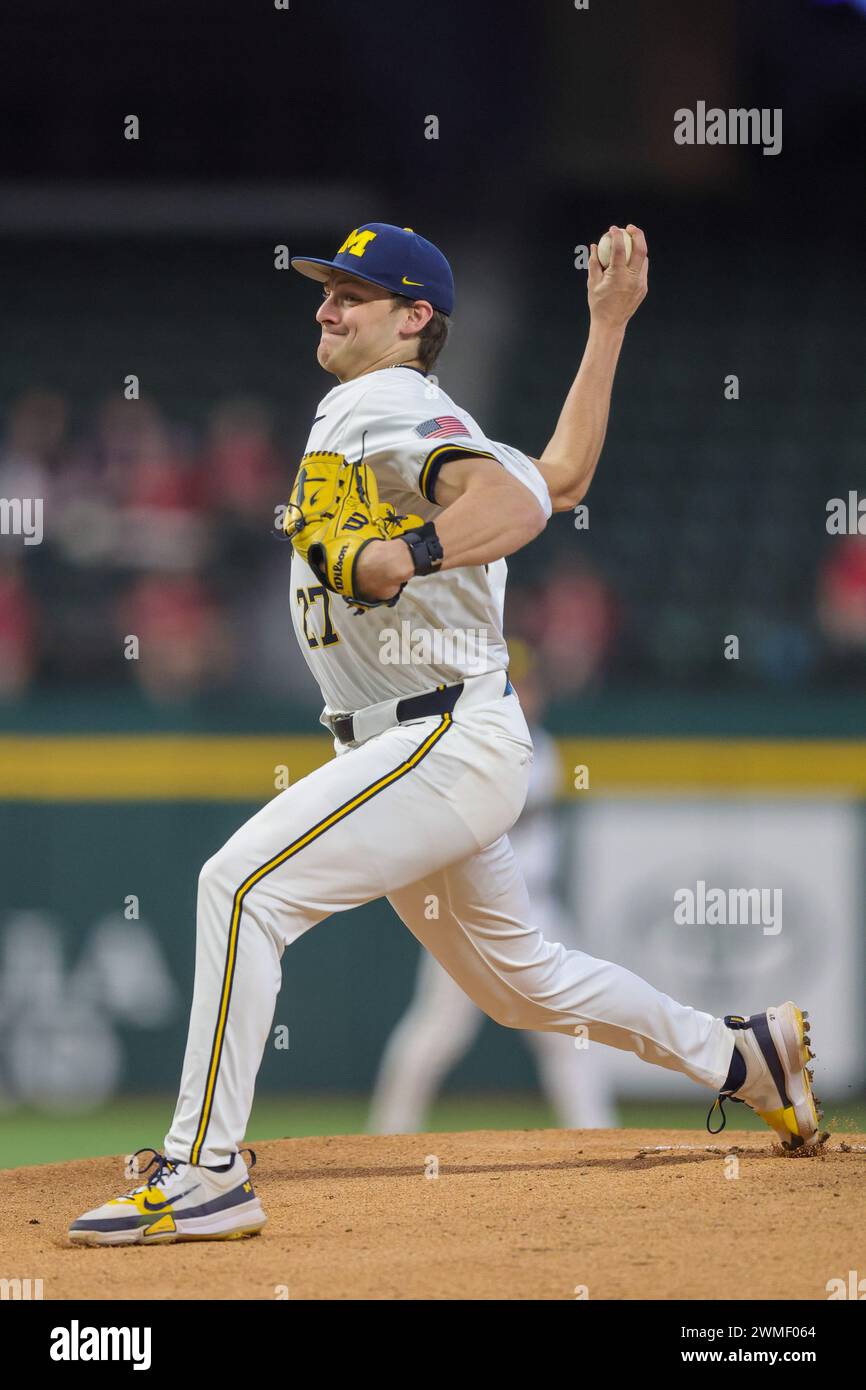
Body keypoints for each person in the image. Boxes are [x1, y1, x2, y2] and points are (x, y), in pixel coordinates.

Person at [70, 222, 823, 1246]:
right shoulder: (397, 409)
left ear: (413, 317)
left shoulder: (389, 401)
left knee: (240, 885)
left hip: (438, 732)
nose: (325, 306)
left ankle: (204, 1172)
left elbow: (512, 502)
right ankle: (742, 1057)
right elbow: (556, 478)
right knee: (520, 986)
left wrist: (406, 553)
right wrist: (605, 328)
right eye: (324, 290)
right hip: (424, 737)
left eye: (351, 293)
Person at [367, 640, 618, 1133]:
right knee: (438, 1030)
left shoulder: (539, 748)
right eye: (512, 683)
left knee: (572, 1029)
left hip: (537, 908)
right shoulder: (462, 744)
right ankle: (388, 1134)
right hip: (472, 910)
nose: (522, 693)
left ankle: (596, 1134)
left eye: (526, 684)